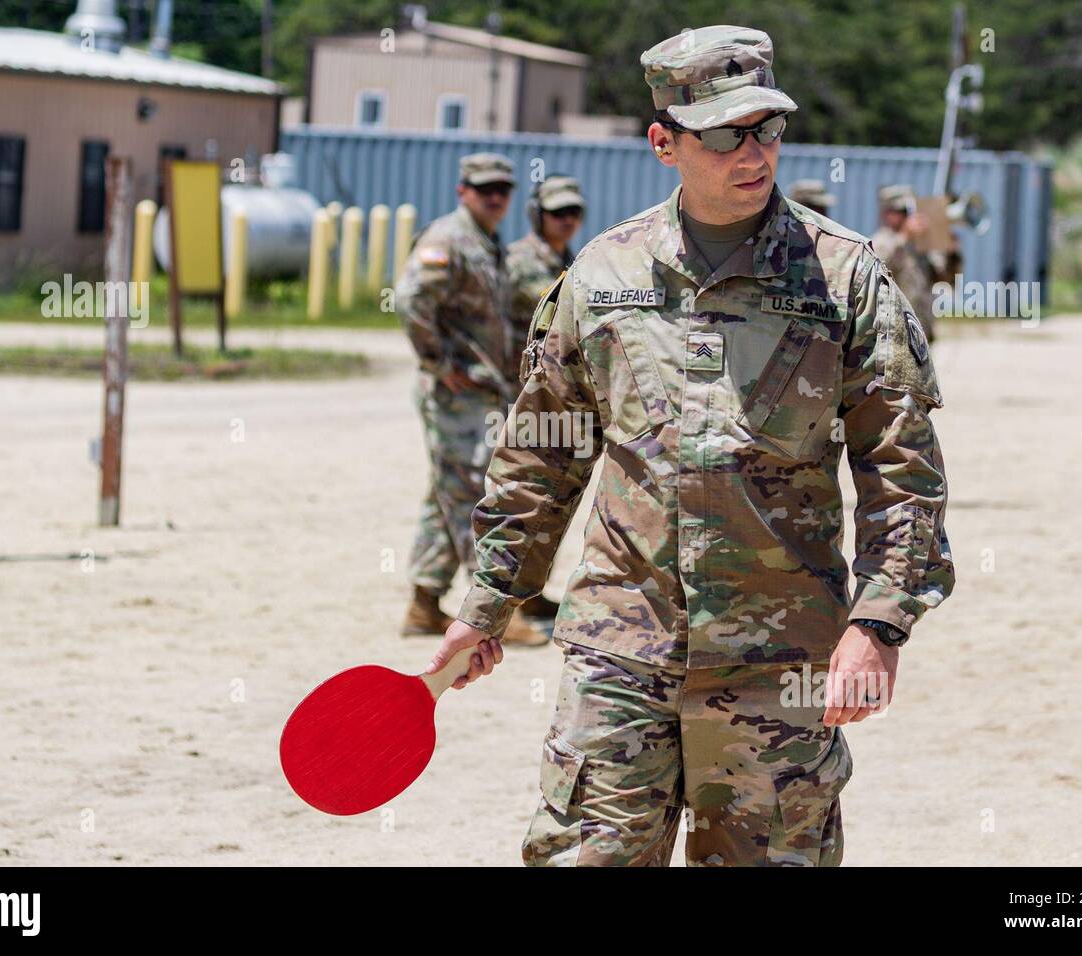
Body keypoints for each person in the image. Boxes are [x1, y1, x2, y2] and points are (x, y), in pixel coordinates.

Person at [428, 26, 955, 866]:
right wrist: (487, 605)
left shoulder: (845, 279)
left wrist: (881, 623)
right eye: (723, 134)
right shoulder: (602, 278)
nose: (753, 153)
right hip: (620, 654)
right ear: (664, 141)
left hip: (778, 668)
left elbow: (902, 469)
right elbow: (540, 458)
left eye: (768, 128)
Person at [393, 152, 548, 646]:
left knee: (449, 495)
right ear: (463, 191)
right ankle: (489, 615)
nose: (497, 198)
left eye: (504, 189)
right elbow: (410, 299)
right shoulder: (448, 239)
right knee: (474, 500)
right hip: (458, 393)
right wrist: (439, 363)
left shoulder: (483, 241)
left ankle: (423, 604)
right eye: (485, 189)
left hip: (481, 391)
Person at [505, 175, 586, 382]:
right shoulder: (515, 260)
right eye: (558, 213)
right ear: (537, 215)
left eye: (574, 212)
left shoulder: (577, 263)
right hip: (517, 379)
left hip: (555, 377)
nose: (568, 220)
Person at [871, 184, 951, 343]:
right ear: (886, 213)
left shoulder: (917, 245)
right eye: (900, 212)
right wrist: (904, 236)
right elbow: (877, 271)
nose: (907, 216)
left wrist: (950, 251)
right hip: (893, 333)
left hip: (920, 331)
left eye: (908, 211)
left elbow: (944, 279)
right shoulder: (880, 241)